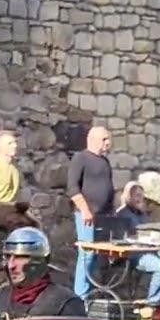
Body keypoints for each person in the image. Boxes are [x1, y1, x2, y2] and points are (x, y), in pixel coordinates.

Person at [115, 181, 160, 320]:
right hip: (134, 253)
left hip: (152, 249)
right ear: (128, 196)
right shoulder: (122, 214)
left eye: (141, 196)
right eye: (136, 196)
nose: (140, 199)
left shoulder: (142, 215)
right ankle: (154, 305)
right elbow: (121, 238)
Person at [67, 127, 114, 299]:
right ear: (92, 139)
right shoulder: (81, 158)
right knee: (87, 254)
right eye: (104, 139)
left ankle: (94, 294)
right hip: (86, 215)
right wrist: (85, 210)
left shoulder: (105, 161)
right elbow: (72, 188)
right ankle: (80, 296)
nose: (107, 142)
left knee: (98, 256)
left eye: (108, 139)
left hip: (103, 217)